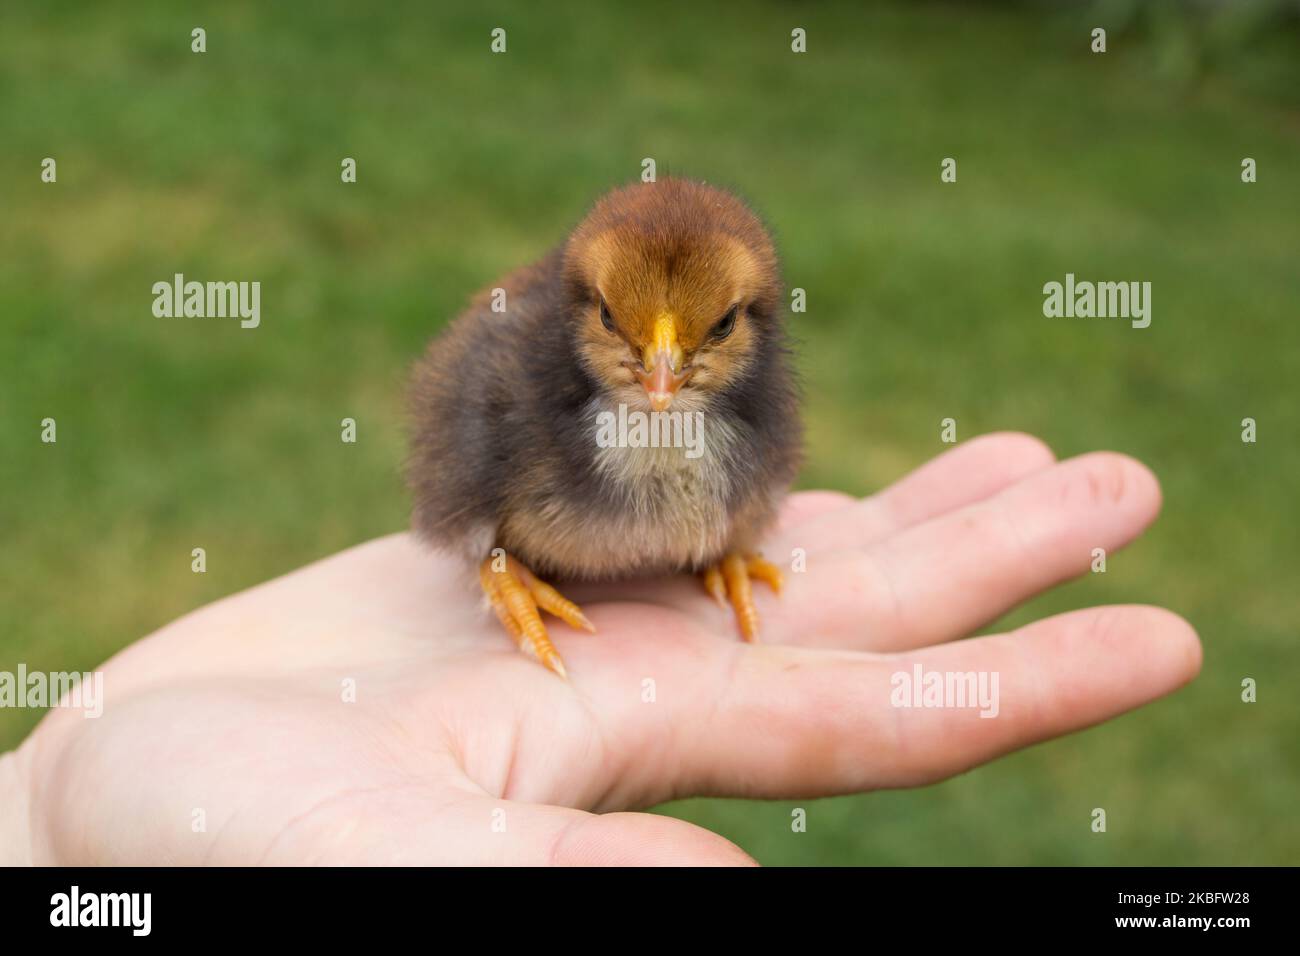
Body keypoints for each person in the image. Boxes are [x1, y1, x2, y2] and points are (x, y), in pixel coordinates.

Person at [0, 434, 1200, 865]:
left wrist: (42, 830)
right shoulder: (533, 396)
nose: (663, 366)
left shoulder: (732, 410)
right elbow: (466, 463)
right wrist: (49, 825)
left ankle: (715, 541)